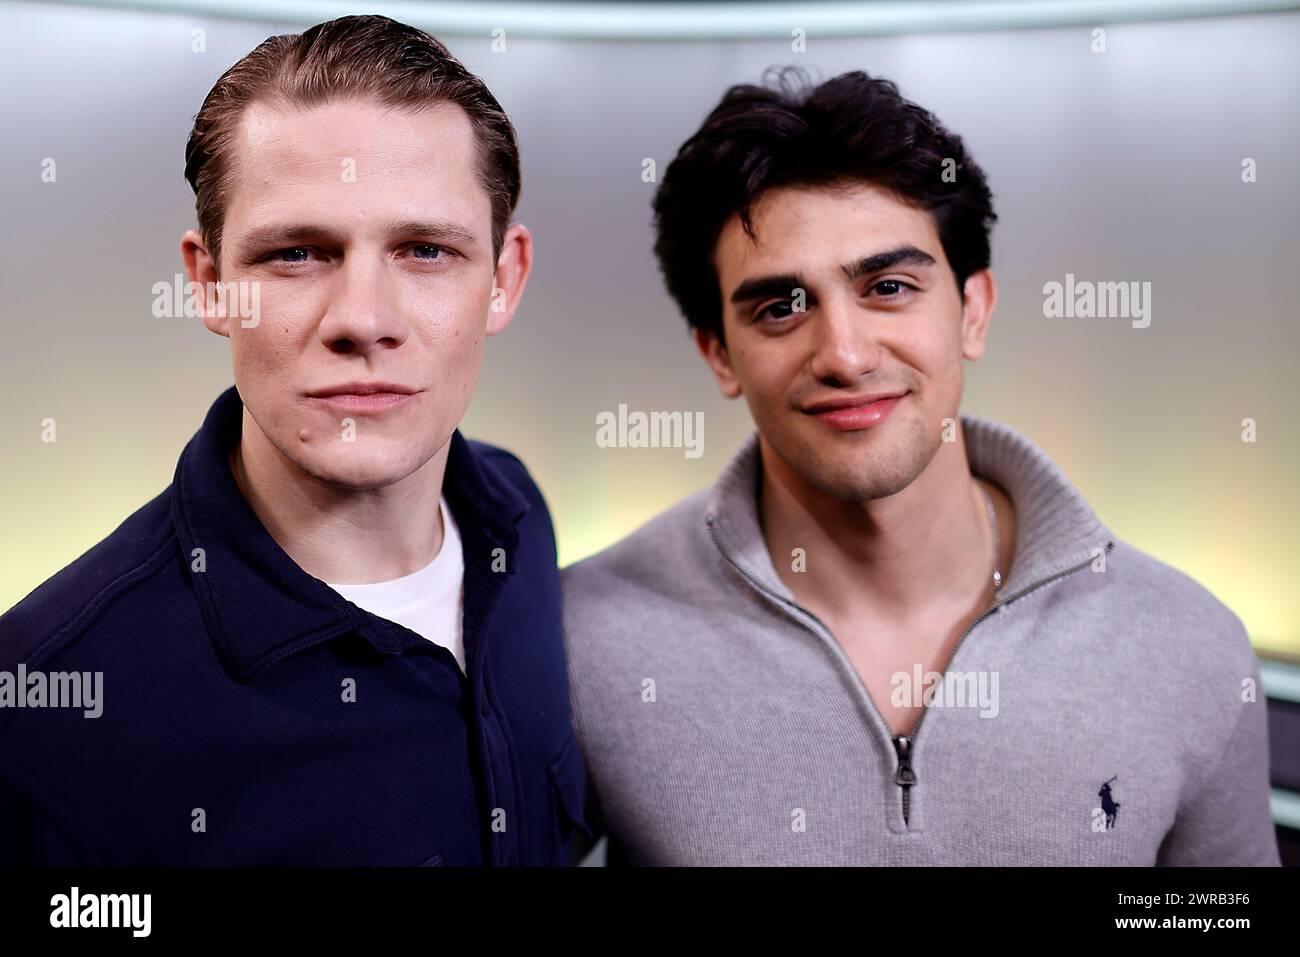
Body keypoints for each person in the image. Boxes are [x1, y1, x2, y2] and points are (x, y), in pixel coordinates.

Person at [561, 67, 1279, 866]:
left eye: (890, 286)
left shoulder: (1189, 646)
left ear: (974, 309)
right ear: (719, 354)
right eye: (778, 308)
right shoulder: (582, 635)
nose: (844, 353)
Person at [0, 14, 589, 866]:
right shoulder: (41, 718)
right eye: (296, 254)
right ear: (209, 284)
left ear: (503, 280)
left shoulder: (519, 517)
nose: (362, 320)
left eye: (425, 250)